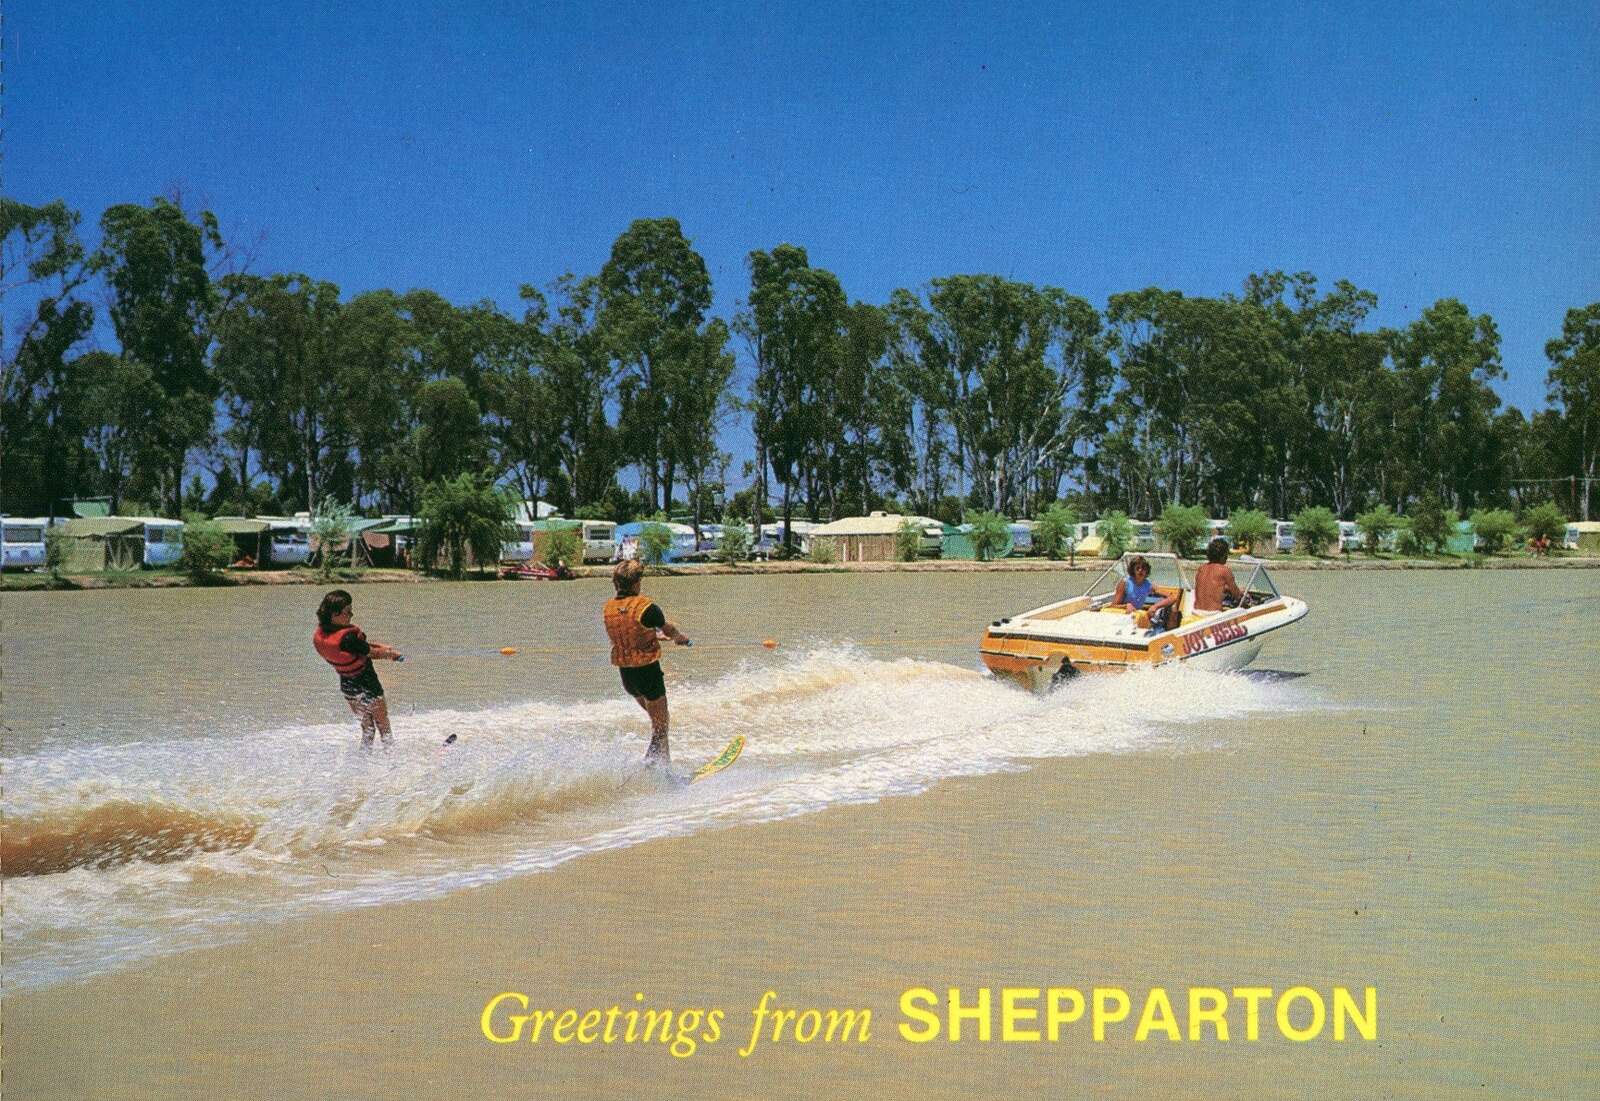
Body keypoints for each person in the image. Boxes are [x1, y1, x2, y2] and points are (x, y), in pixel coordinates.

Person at [603, 559, 690, 764]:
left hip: (627, 677)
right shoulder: (647, 607)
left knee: (659, 722)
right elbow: (669, 629)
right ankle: (652, 768)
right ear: (636, 583)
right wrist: (679, 637)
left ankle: (663, 768)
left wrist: (654, 636)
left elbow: (629, 631)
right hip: (648, 674)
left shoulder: (609, 608)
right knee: (661, 727)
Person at [313, 589, 403, 748]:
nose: (351, 615)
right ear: (334, 614)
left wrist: (383, 648)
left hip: (347, 685)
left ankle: (363, 758)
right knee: (383, 724)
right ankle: (391, 756)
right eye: (347, 611)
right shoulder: (348, 637)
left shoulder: (323, 633)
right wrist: (393, 655)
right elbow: (372, 653)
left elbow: (361, 648)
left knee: (367, 727)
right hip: (367, 682)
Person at [1111, 554, 1177, 631]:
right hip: (1122, 617)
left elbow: (1173, 597)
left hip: (1137, 618)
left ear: (1146, 571)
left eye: (1143, 568)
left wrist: (1155, 606)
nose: (1140, 570)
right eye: (1137, 568)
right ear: (1133, 570)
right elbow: (1113, 606)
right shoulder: (1125, 583)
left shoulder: (1148, 585)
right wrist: (1126, 606)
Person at [1192, 537, 1244, 612]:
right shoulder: (1225, 570)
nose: (1227, 557)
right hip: (1213, 614)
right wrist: (1242, 594)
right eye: (1226, 554)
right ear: (1222, 555)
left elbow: (1209, 585)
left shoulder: (1201, 568)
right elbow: (1237, 595)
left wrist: (1225, 588)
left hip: (1196, 612)